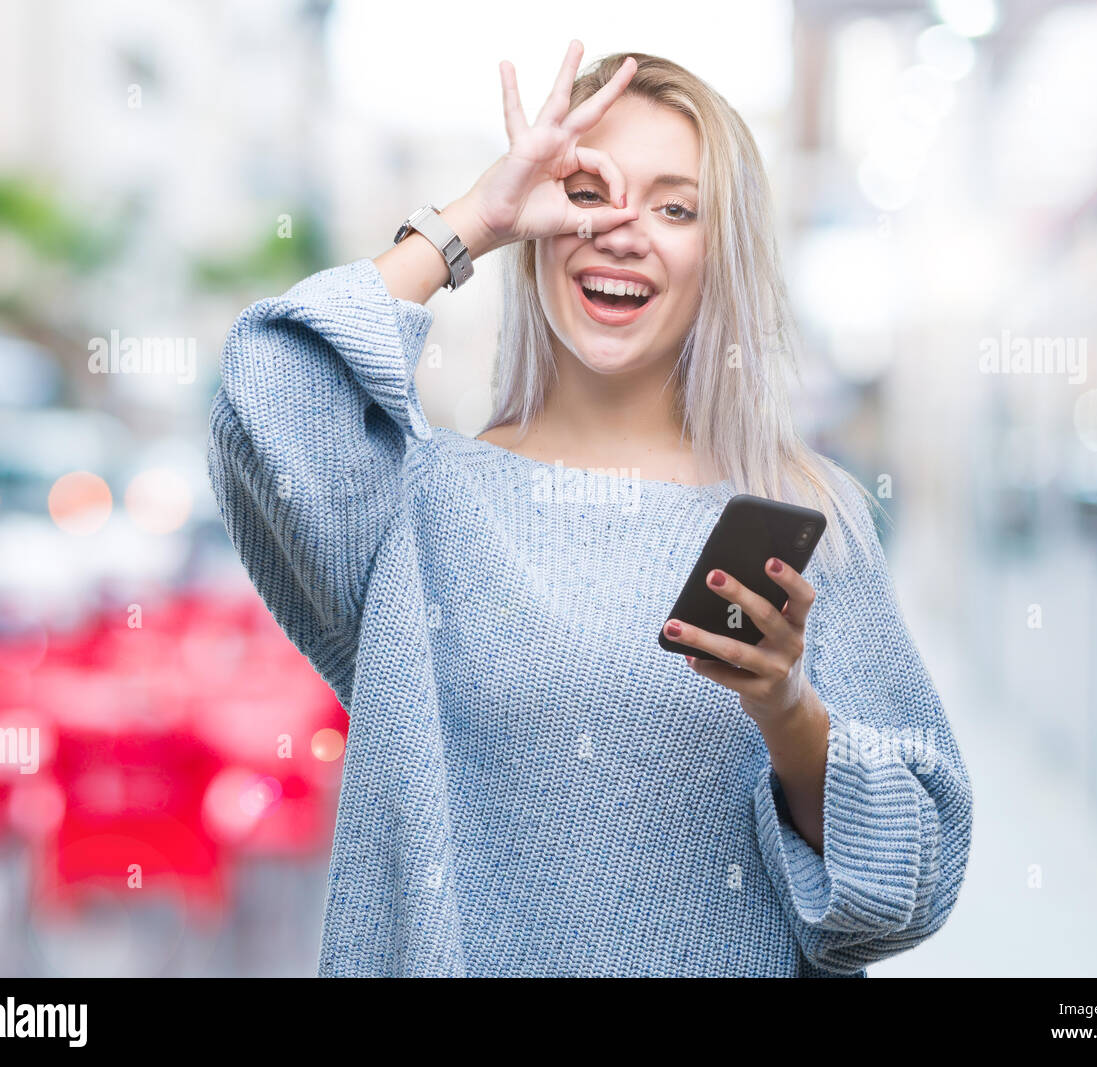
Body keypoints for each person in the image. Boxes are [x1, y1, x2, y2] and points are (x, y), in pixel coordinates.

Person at [206, 42, 972, 977]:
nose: (622, 230)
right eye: (587, 193)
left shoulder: (801, 513)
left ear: (722, 254)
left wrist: (787, 709)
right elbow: (268, 386)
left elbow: (910, 878)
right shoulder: (424, 507)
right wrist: (470, 222)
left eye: (676, 207)